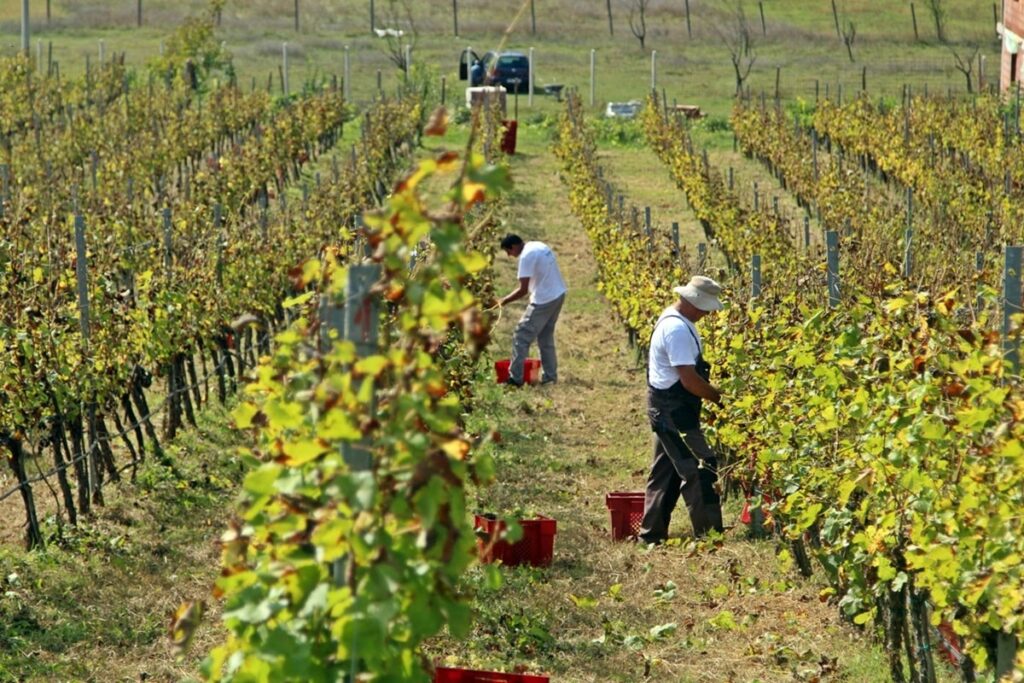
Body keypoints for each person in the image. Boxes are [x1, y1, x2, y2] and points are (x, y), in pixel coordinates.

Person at [638, 276, 725, 544]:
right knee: (701, 468)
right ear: (693, 302)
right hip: (674, 411)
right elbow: (689, 380)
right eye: (705, 307)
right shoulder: (676, 331)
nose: (707, 313)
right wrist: (719, 397)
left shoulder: (675, 319)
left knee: (665, 473)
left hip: (666, 407)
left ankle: (650, 535)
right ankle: (709, 536)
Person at [496, 234, 567, 386]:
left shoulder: (526, 256)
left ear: (514, 246)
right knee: (545, 337)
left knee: (521, 336)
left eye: (509, 251)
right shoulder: (538, 245)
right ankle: (550, 378)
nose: (509, 255)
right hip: (558, 295)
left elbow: (523, 290)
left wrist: (504, 301)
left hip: (544, 300)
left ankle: (515, 379)